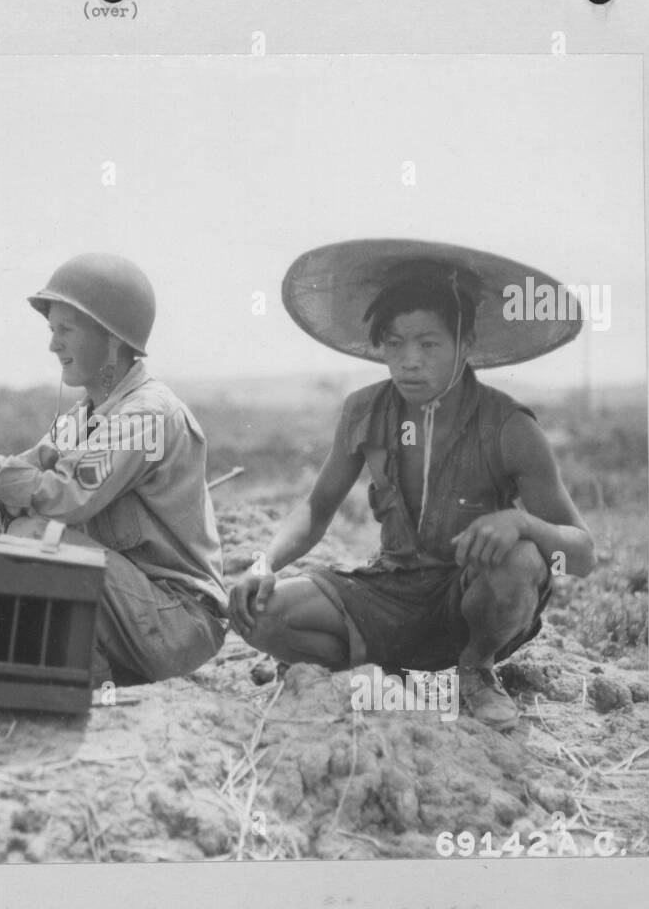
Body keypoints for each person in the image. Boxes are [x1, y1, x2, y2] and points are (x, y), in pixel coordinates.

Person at [228, 243, 595, 731]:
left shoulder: (511, 428)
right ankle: (382, 673)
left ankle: (475, 671)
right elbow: (317, 509)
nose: (409, 362)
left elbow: (582, 555)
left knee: (520, 558)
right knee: (258, 615)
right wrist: (264, 563)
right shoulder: (363, 411)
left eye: (428, 344)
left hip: (470, 601)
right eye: (394, 343)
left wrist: (521, 523)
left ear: (465, 344)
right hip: (388, 594)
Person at [0, 252, 227, 688]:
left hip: (179, 622)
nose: (53, 345)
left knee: (34, 538)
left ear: (112, 337)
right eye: (52, 330)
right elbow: (5, 487)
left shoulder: (146, 416)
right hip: (131, 614)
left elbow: (59, 497)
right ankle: (78, 670)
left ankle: (71, 675)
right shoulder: (85, 417)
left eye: (66, 330)